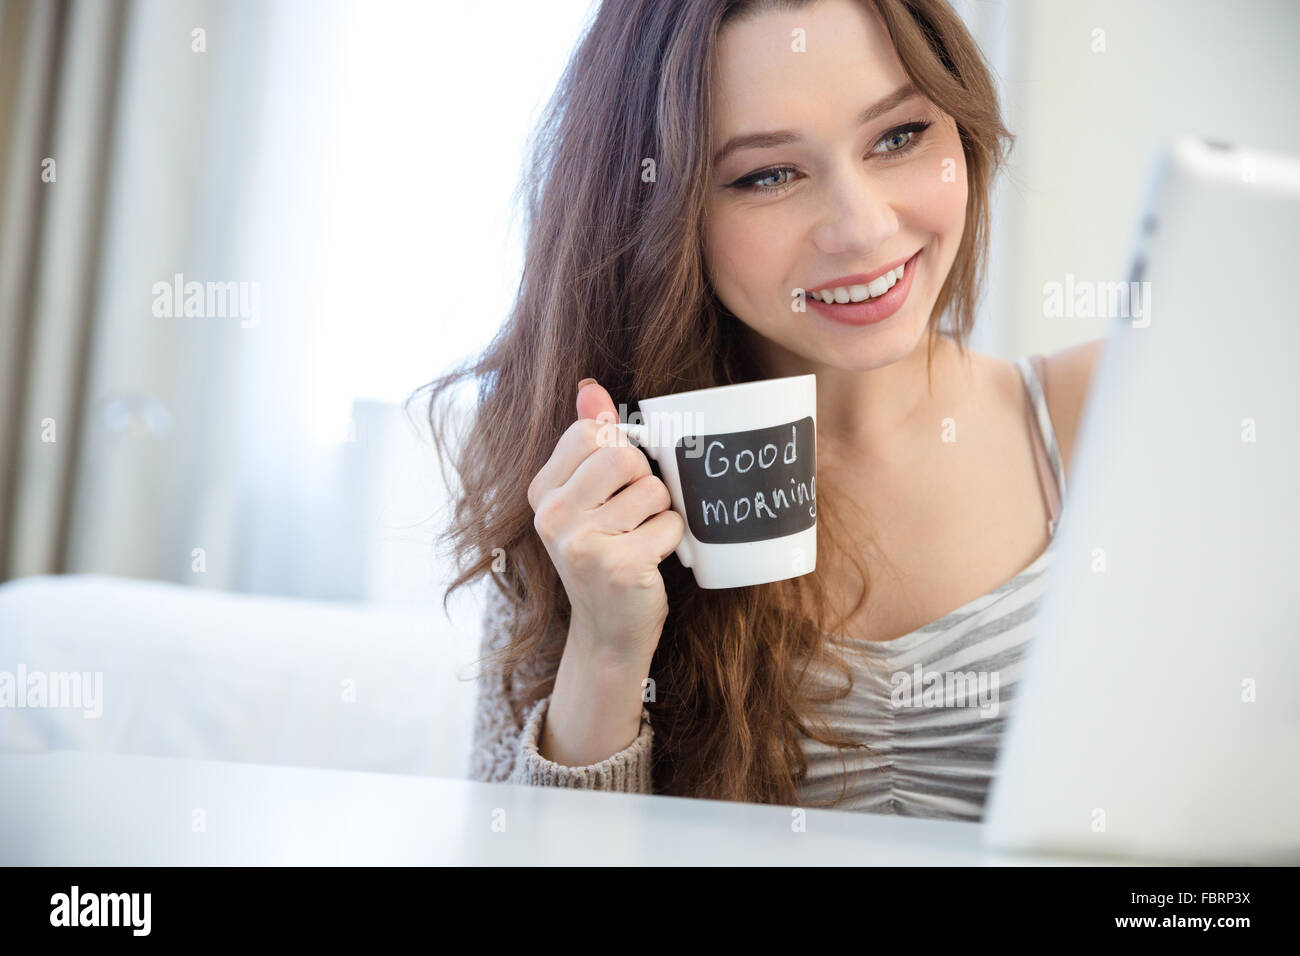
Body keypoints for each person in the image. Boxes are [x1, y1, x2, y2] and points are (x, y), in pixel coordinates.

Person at [418, 0, 1103, 820]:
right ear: (661, 216)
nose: (862, 227)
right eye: (767, 175)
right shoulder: (585, 486)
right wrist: (606, 646)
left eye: (899, 136)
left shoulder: (1107, 411)